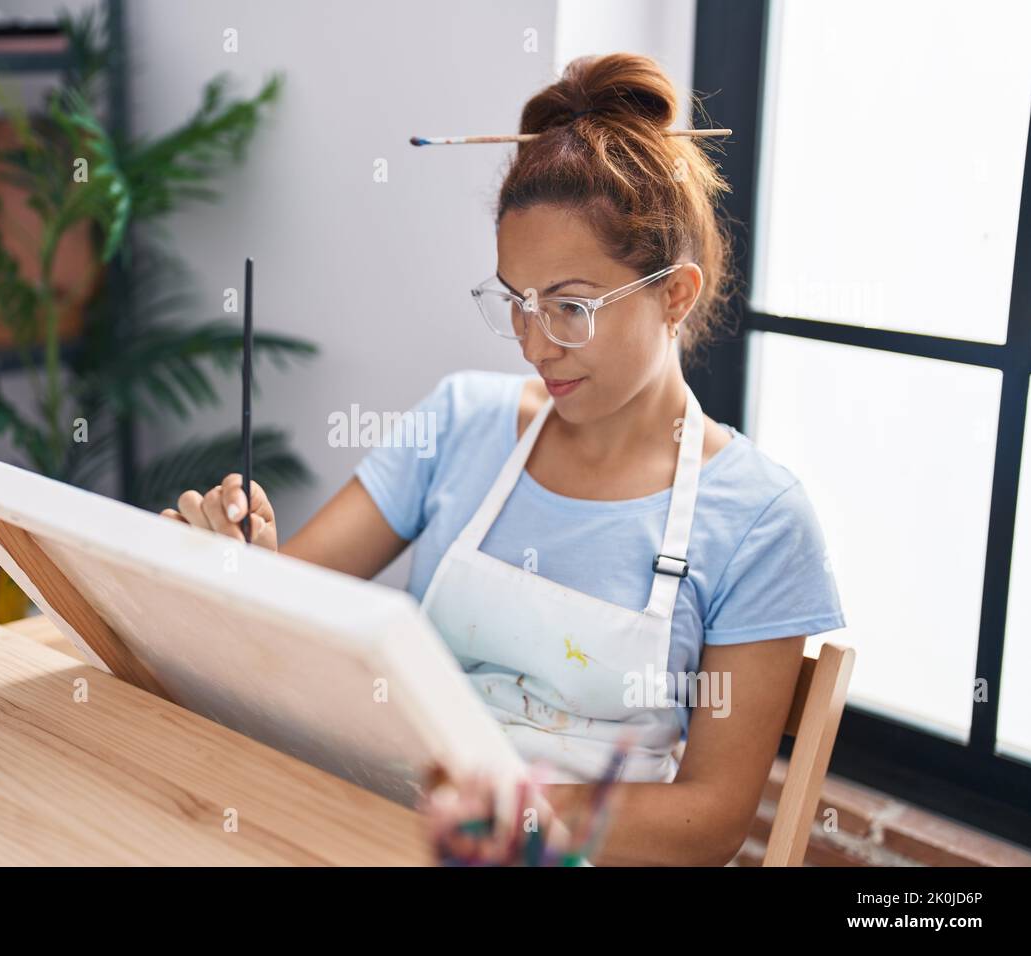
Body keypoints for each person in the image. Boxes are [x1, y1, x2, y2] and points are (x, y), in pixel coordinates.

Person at [160, 52, 846, 866]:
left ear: (676, 293)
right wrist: (246, 574)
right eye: (516, 302)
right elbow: (297, 612)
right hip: (389, 826)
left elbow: (709, 821)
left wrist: (497, 808)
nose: (535, 344)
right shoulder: (461, 421)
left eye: (571, 307)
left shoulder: (760, 520)